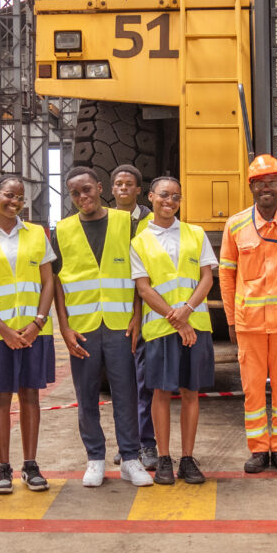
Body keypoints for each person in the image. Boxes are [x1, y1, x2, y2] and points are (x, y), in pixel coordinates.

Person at [53, 167, 154, 488]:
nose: (83, 197)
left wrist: (138, 316)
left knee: (126, 394)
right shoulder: (62, 230)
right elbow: (55, 282)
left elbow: (140, 273)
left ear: (99, 188)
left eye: (87, 189)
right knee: (86, 397)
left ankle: (130, 458)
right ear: (70, 197)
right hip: (82, 328)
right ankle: (95, 458)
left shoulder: (126, 224)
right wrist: (64, 327)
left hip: (120, 325)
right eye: (75, 193)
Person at [220, 154, 277, 474]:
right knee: (253, 389)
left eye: (272, 181)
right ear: (251, 188)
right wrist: (231, 319)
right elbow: (227, 276)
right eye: (259, 183)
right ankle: (259, 449)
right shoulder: (236, 225)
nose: (266, 188)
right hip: (249, 324)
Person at [0, 174, 56, 494]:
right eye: (9, 194)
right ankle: (2, 467)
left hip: (32, 332)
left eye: (20, 197)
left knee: (30, 395)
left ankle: (30, 465)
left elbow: (48, 282)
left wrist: (37, 323)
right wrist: (4, 330)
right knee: (1, 398)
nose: (15, 201)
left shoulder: (36, 234)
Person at [130, 176, 217, 485]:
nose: (170, 201)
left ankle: (188, 459)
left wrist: (187, 313)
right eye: (164, 195)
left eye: (176, 196)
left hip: (196, 324)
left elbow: (206, 278)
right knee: (161, 392)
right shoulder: (139, 241)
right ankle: (164, 457)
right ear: (151, 196)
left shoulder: (196, 233)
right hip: (161, 328)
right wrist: (176, 318)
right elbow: (143, 288)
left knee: (191, 392)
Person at [110, 163, 158, 471]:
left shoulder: (153, 222)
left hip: (146, 310)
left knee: (146, 383)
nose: (124, 188)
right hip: (116, 312)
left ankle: (148, 443)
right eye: (118, 183)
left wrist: (139, 314)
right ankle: (128, 444)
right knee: (122, 385)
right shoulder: (105, 221)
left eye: (130, 184)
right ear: (111, 189)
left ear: (139, 190)